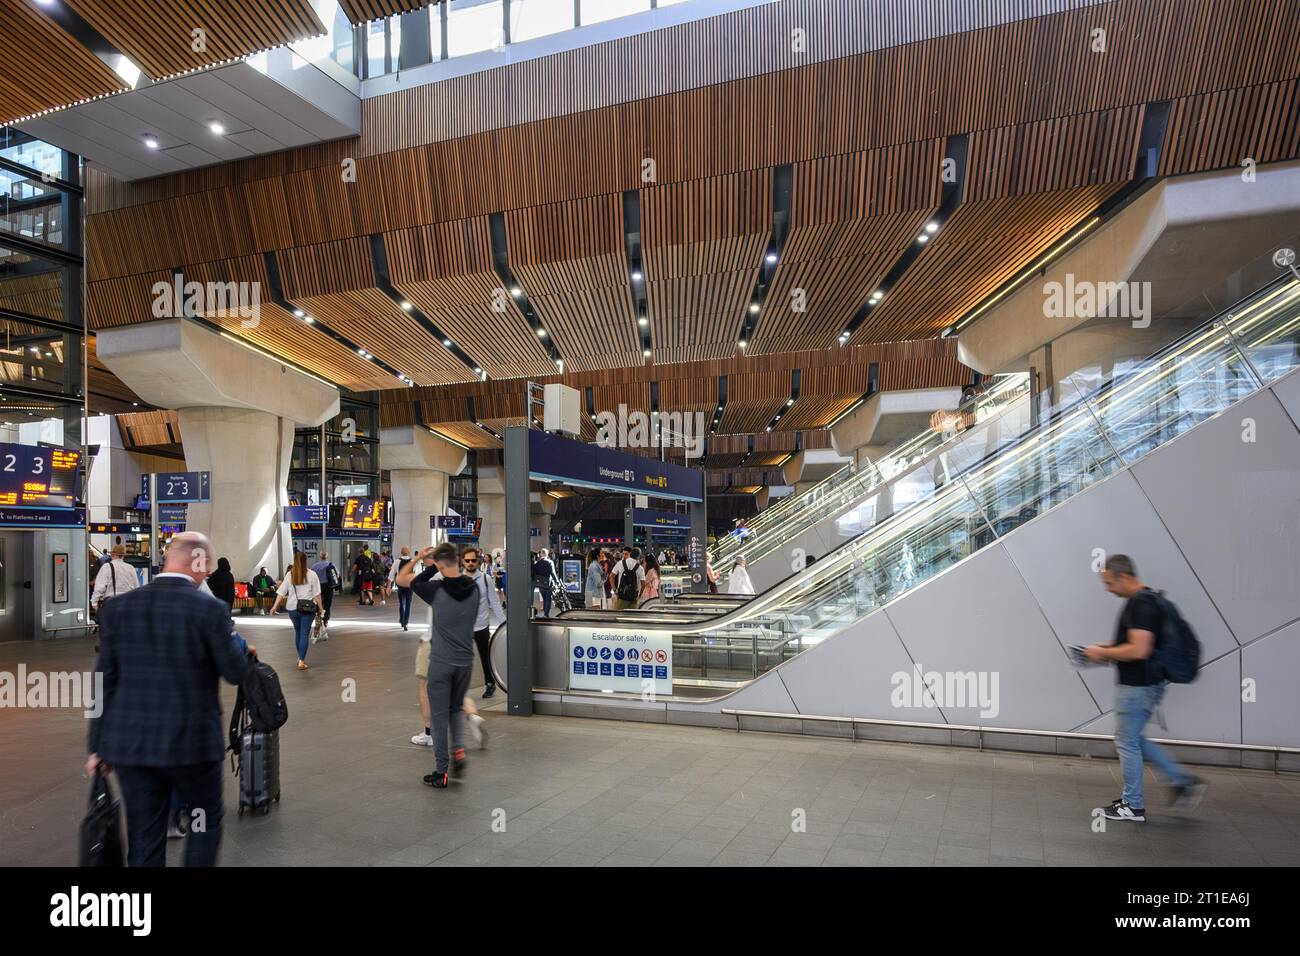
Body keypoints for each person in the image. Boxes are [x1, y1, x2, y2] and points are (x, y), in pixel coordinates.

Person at [85, 532, 253, 867]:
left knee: (145, 835)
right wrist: (238, 645)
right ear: (200, 563)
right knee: (204, 824)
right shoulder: (210, 610)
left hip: (133, 749)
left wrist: (96, 745)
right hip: (193, 751)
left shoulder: (119, 609)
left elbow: (102, 681)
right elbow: (235, 672)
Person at [1084, 554, 1206, 822]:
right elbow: (1134, 642)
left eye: (1109, 583)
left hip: (1138, 685)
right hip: (1144, 685)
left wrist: (1103, 654)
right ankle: (1182, 781)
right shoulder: (1146, 601)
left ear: (1124, 576)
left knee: (1126, 741)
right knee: (1133, 738)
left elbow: (1139, 649)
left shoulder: (1141, 604)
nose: (1108, 589)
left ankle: (1133, 805)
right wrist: (1101, 648)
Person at [398, 543, 479, 788]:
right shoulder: (475, 588)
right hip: (466, 662)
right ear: (458, 560)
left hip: (442, 662)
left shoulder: (435, 590)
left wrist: (422, 560)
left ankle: (441, 771)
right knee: (455, 709)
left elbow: (403, 579)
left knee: (440, 717)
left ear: (440, 565)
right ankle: (459, 750)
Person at [462, 546, 505, 698]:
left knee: (485, 656)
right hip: (463, 628)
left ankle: (490, 683)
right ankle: (458, 688)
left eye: (473, 560)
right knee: (461, 658)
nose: (470, 563)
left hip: (481, 626)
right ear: (463, 562)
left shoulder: (485, 580)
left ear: (478, 561)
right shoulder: (458, 580)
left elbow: (494, 603)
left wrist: (504, 624)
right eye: (467, 560)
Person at [269, 551, 323, 671]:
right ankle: (302, 661)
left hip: (293, 608)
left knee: (298, 633)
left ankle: (300, 658)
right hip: (308, 609)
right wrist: (321, 607)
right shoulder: (312, 574)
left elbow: (281, 592)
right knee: (304, 634)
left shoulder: (290, 574)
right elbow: (317, 594)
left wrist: (274, 607)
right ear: (305, 561)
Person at [90, 544, 139, 612]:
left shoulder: (107, 567)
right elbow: (136, 587)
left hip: (112, 603)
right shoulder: (130, 568)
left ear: (113, 555)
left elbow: (100, 587)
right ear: (123, 556)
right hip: (128, 603)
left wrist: (94, 602)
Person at [392, 546, 417, 630]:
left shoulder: (397, 561)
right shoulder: (413, 562)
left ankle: (402, 620)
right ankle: (405, 622)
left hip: (400, 585)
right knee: (408, 604)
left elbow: (392, 573)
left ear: (401, 552)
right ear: (409, 552)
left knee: (402, 603)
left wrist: (388, 585)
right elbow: (417, 575)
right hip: (409, 585)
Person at [311, 551, 338, 629]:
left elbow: (311, 576)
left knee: (317, 602)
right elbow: (337, 574)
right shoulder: (331, 565)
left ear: (320, 556)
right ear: (327, 556)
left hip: (318, 586)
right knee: (327, 603)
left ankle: (317, 618)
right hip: (328, 586)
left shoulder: (314, 566)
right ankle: (325, 620)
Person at [611, 546, 644, 610]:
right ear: (639, 556)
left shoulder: (620, 563)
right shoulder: (640, 567)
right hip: (634, 596)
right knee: (632, 618)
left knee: (618, 616)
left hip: (621, 596)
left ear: (630, 554)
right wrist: (639, 596)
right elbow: (643, 584)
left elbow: (611, 576)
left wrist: (615, 590)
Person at [532, 547, 556, 617]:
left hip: (540, 584)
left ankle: (545, 613)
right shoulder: (550, 562)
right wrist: (556, 581)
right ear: (547, 554)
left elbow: (534, 573)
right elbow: (553, 573)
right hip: (548, 583)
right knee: (548, 599)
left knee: (544, 598)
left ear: (541, 554)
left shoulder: (537, 563)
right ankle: (546, 614)